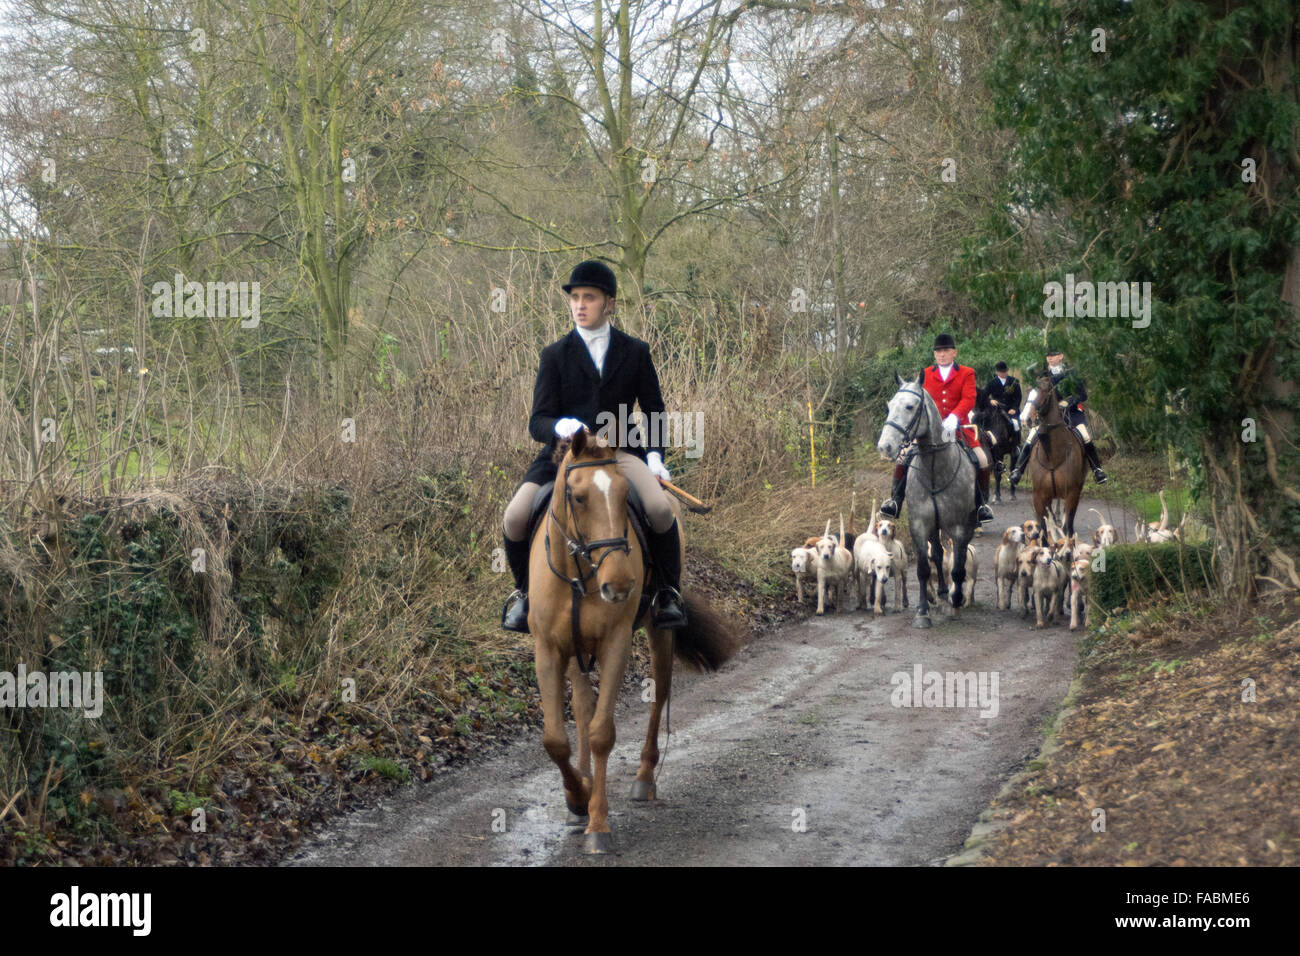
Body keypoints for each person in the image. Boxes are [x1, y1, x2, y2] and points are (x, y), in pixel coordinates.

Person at [500, 260, 687, 634]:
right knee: (515, 517)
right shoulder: (554, 355)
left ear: (609, 304)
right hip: (564, 457)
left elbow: (654, 411)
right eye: (575, 298)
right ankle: (523, 596)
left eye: (589, 297)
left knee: (658, 509)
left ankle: (667, 594)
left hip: (621, 452)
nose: (580, 304)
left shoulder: (635, 351)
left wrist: (654, 456)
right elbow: (537, 421)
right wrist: (559, 425)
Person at [880, 332, 996, 524]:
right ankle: (894, 502)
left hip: (958, 429)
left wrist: (954, 416)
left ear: (954, 353)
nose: (942, 354)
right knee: (902, 456)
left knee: (982, 459)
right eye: (938, 351)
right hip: (928, 432)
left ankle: (981, 506)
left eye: (946, 351)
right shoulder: (924, 375)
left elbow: (969, 399)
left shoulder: (966, 373)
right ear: (934, 354)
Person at [1008, 337, 1107, 486]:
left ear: (1061, 356)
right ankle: (1018, 471)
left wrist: (1068, 401)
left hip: (1072, 412)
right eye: (1048, 356)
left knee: (1085, 436)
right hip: (1048, 415)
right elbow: (1038, 393)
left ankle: (1097, 470)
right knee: (1031, 437)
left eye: (1053, 355)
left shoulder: (1072, 373)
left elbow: (1082, 395)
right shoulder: (1043, 374)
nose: (1050, 358)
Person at [985, 361, 1022, 433]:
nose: (1005, 373)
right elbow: (984, 395)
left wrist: (1014, 408)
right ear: (997, 372)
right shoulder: (991, 383)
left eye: (1005, 371)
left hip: (1011, 410)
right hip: (997, 409)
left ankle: (1017, 443)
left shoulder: (1014, 381)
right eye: (1002, 372)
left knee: (1016, 424)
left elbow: (1018, 396)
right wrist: (990, 400)